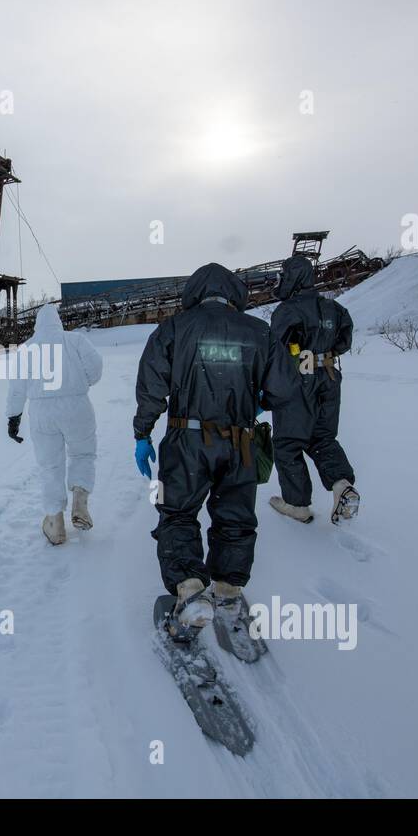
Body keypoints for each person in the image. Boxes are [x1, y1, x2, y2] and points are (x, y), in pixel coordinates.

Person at [134, 263, 288, 634]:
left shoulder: (173, 329)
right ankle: (228, 590)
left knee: (177, 512)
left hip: (186, 441)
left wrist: (142, 434)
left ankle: (189, 589)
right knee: (235, 517)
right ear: (234, 294)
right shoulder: (259, 331)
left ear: (194, 293)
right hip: (240, 442)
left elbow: (152, 386)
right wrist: (256, 403)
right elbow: (283, 388)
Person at [267, 255, 359, 525]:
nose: (279, 281)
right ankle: (342, 485)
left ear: (293, 278)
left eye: (282, 276)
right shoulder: (335, 308)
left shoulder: (286, 311)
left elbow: (274, 353)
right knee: (323, 439)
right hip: (329, 377)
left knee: (287, 443)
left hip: (297, 382)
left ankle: (297, 505)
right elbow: (344, 341)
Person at [6, 304, 103, 545]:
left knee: (50, 465)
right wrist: (81, 384)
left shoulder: (27, 349)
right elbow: (96, 368)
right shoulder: (75, 340)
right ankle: (80, 501)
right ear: (58, 322)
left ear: (37, 325)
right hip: (77, 407)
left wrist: (13, 417)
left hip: (42, 412)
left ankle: (54, 522)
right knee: (83, 454)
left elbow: (17, 388)